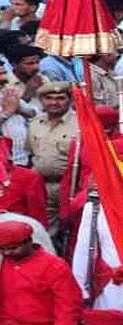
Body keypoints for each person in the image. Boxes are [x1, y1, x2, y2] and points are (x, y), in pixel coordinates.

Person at [26, 81, 76, 230]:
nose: (54, 103)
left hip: (69, 186)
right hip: (41, 186)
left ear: (69, 100)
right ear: (41, 101)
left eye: (60, 98)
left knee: (72, 229)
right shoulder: (35, 123)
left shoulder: (80, 124)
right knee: (45, 229)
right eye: (48, 98)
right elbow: (31, 153)